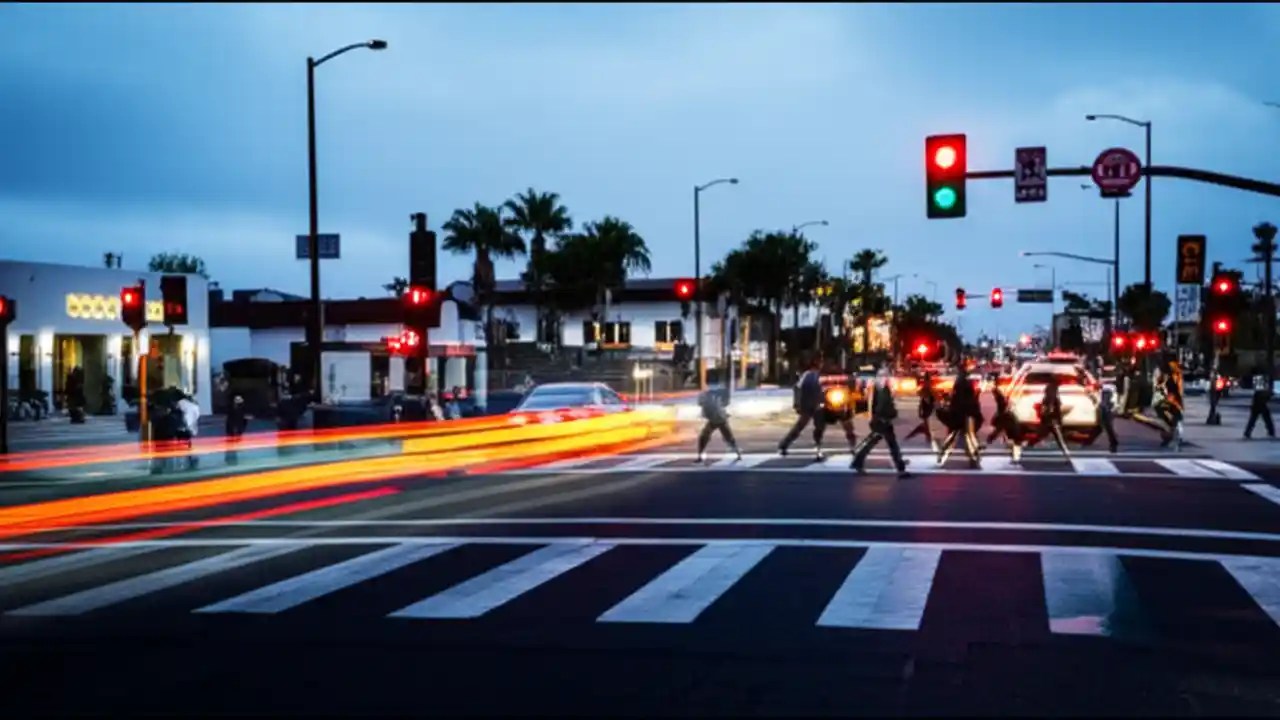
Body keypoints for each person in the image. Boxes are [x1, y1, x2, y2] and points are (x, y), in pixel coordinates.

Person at [851, 368, 911, 478]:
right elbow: (882, 404)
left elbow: (876, 404)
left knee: (877, 442)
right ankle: (900, 468)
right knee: (891, 444)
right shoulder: (883, 388)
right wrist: (885, 416)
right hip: (882, 420)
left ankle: (858, 462)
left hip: (879, 419)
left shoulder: (877, 386)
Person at [778, 357, 825, 459]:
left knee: (804, 426)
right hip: (812, 404)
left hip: (810, 404)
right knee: (816, 427)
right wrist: (798, 404)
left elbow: (798, 388)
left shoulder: (810, 375)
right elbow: (798, 388)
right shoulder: (813, 375)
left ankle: (784, 445)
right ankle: (817, 449)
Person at [937, 364, 981, 468]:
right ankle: (975, 457)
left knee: (954, 436)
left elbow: (957, 399)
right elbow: (970, 399)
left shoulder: (959, 383)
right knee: (970, 437)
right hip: (968, 413)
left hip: (960, 413)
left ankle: (942, 454)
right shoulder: (966, 383)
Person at [695, 385, 742, 463]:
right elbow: (725, 403)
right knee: (727, 437)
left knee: (705, 437)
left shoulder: (709, 396)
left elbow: (702, 404)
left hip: (718, 419)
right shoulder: (712, 396)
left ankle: (738, 453)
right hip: (718, 419)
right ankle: (738, 453)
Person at [985, 379, 1027, 462]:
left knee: (1012, 435)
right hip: (1006, 416)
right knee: (1015, 436)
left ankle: (1015, 455)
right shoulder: (998, 392)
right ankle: (1015, 456)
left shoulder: (998, 392)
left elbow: (1002, 403)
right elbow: (1002, 403)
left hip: (1005, 416)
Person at [1036, 374, 1072, 460]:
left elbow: (1050, 401)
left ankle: (1066, 454)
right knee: (1058, 437)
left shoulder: (1052, 389)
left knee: (1042, 434)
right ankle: (1066, 454)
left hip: (1050, 418)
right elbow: (1050, 401)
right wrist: (1050, 410)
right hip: (1051, 418)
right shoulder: (1052, 388)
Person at [903, 370, 939, 453]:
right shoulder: (928, 386)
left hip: (926, 408)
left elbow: (922, 395)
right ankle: (926, 439)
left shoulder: (927, 386)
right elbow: (924, 395)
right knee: (924, 426)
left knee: (924, 426)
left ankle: (922, 437)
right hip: (926, 408)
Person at [1154, 360, 1185, 450]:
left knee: (1174, 421)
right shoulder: (1172, 377)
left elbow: (1178, 390)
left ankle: (1174, 438)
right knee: (1172, 421)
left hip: (1173, 402)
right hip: (1171, 402)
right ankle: (1172, 437)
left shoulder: (1174, 377)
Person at [1244, 366, 1275, 440]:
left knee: (1255, 417)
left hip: (1258, 401)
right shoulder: (1261, 378)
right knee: (1264, 416)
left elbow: (1260, 392)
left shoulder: (1259, 378)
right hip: (1260, 401)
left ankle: (1248, 432)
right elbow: (1261, 392)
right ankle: (1271, 432)